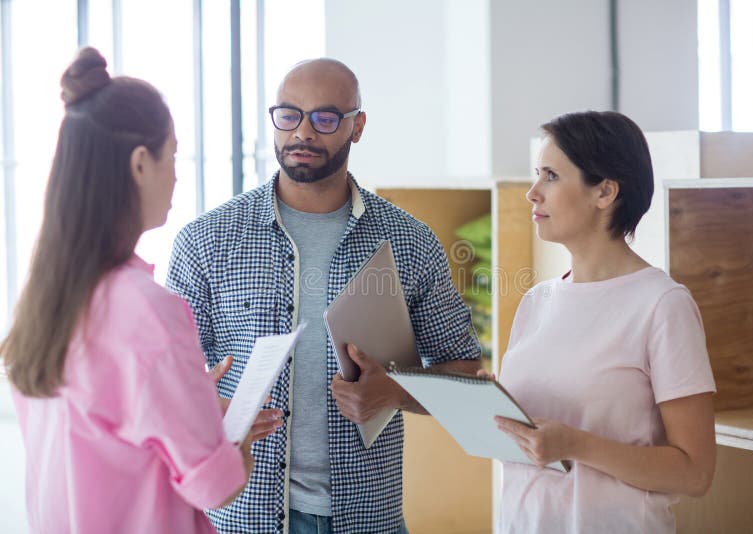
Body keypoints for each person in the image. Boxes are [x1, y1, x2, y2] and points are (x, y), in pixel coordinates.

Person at [167, 58, 481, 533]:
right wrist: (198, 409)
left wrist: (395, 389)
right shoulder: (205, 241)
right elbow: (167, 383)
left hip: (367, 519)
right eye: (289, 115)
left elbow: (468, 378)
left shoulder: (409, 242)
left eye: (325, 118)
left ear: (357, 127)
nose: (303, 133)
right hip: (237, 516)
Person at [1, 47, 282, 533]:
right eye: (172, 154)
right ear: (139, 164)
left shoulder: (44, 302)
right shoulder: (148, 311)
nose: (176, 173)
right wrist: (233, 441)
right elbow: (218, 487)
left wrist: (183, 404)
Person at [492, 111, 716, 533]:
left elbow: (695, 472)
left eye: (552, 176)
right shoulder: (536, 301)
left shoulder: (662, 304)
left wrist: (576, 444)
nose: (532, 193)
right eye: (537, 175)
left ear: (605, 192)